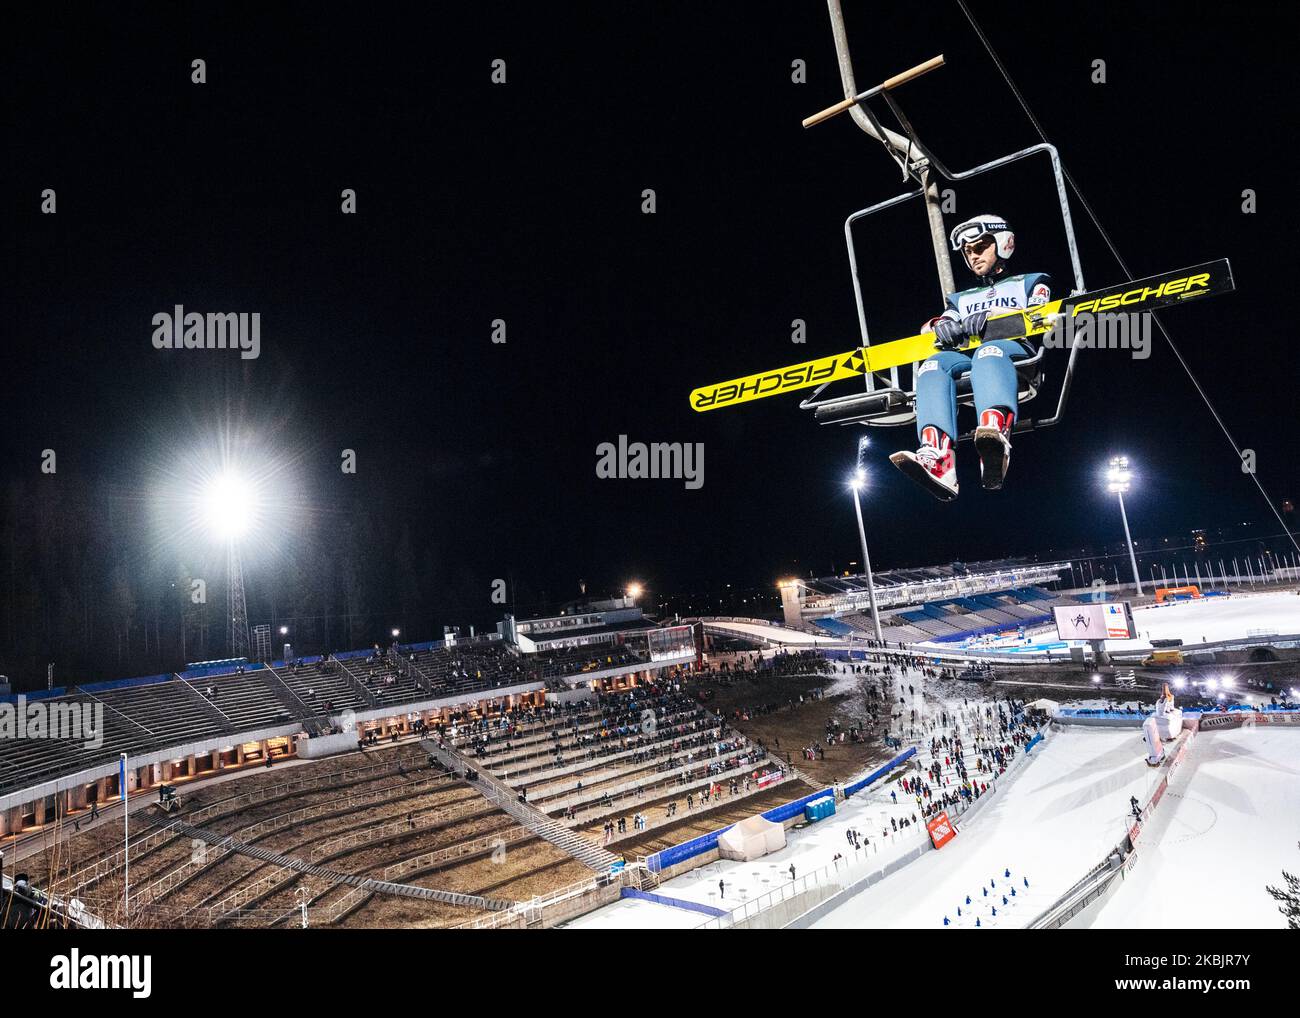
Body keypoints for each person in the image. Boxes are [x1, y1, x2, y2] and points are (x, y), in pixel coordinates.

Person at [890, 214, 1051, 500]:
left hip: (1013, 355)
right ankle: (937, 457)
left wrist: (994, 316)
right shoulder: (961, 298)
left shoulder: (1030, 282)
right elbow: (928, 329)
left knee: (989, 352)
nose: (973, 256)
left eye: (980, 247)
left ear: (1002, 244)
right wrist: (942, 325)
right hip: (967, 359)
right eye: (968, 252)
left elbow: (1040, 315)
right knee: (932, 366)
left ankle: (994, 432)